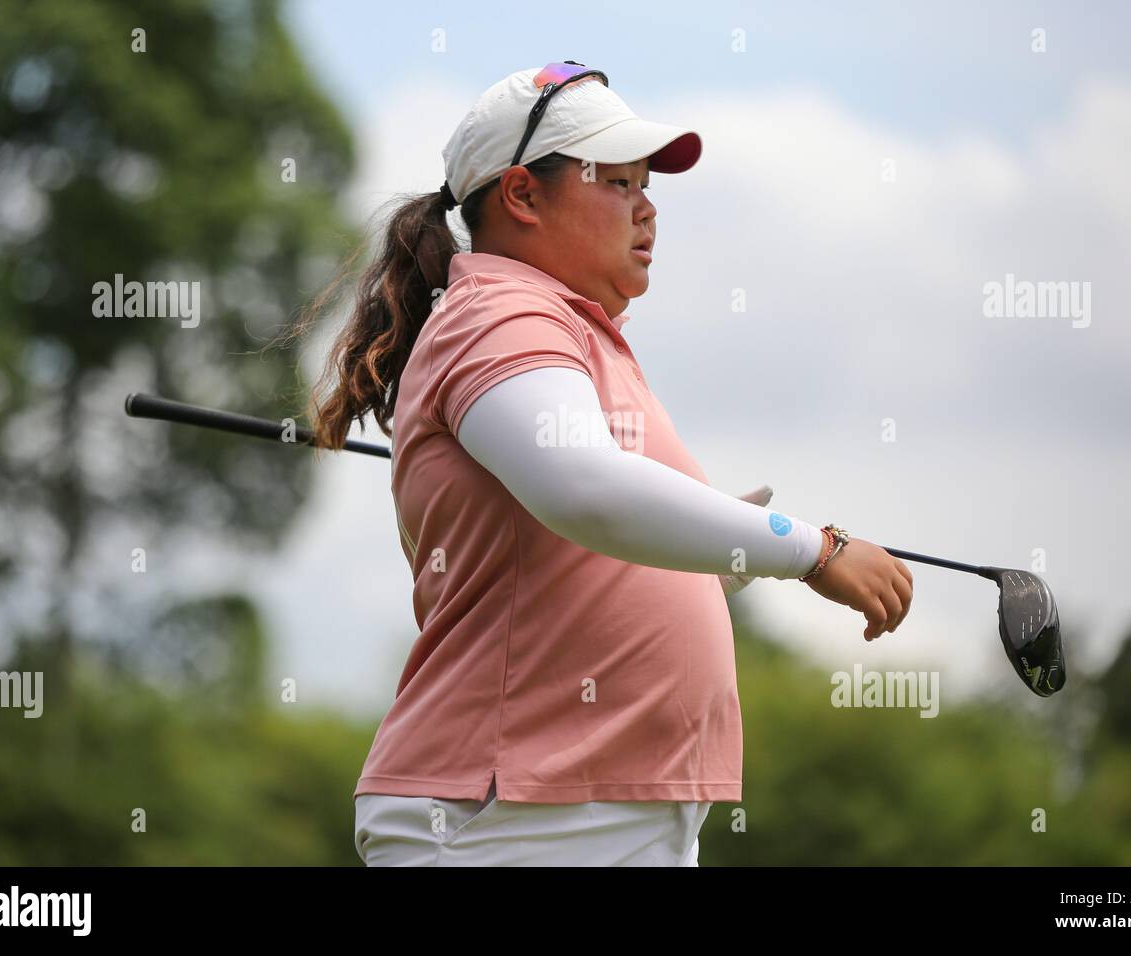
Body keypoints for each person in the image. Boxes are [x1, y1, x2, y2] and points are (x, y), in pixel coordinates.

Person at [302, 62, 913, 866]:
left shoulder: (568, 329)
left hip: (589, 812)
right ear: (521, 195)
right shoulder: (503, 312)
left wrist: (696, 569)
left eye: (646, 184)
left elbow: (566, 533)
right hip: (510, 817)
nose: (648, 207)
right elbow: (588, 490)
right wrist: (813, 551)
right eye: (619, 182)